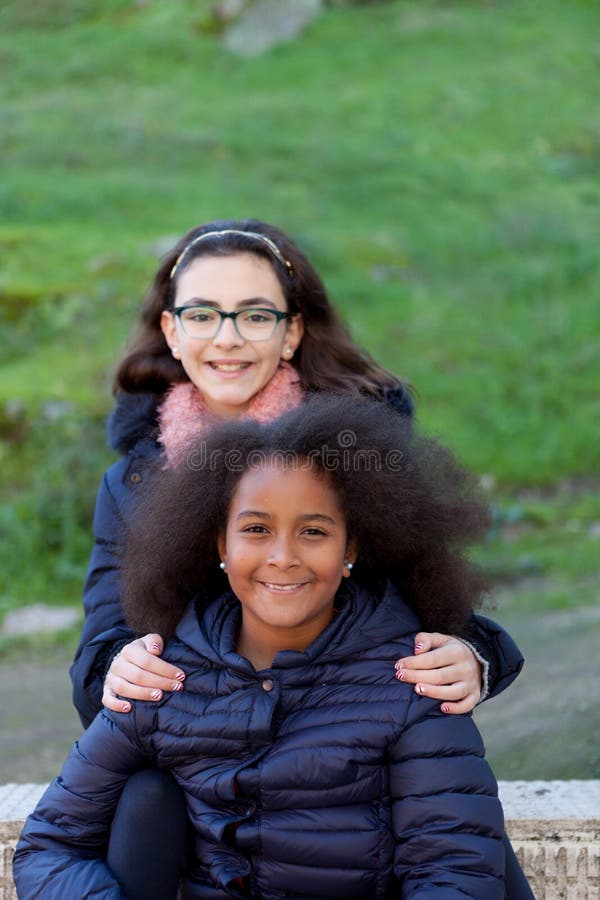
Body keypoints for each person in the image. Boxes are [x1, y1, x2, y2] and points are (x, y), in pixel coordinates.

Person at [67, 220, 528, 898]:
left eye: (255, 315)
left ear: (292, 331)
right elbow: (97, 661)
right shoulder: (132, 484)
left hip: (350, 752)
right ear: (171, 331)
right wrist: (119, 669)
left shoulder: (361, 457)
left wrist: (474, 655)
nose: (227, 337)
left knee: (457, 837)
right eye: (203, 314)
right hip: (210, 756)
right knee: (142, 799)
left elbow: (439, 602)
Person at [16, 395, 510, 898]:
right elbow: (50, 846)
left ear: (351, 549)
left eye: (313, 532)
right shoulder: (160, 679)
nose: (282, 557)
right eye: (256, 529)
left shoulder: (412, 680)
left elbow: (457, 877)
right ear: (220, 546)